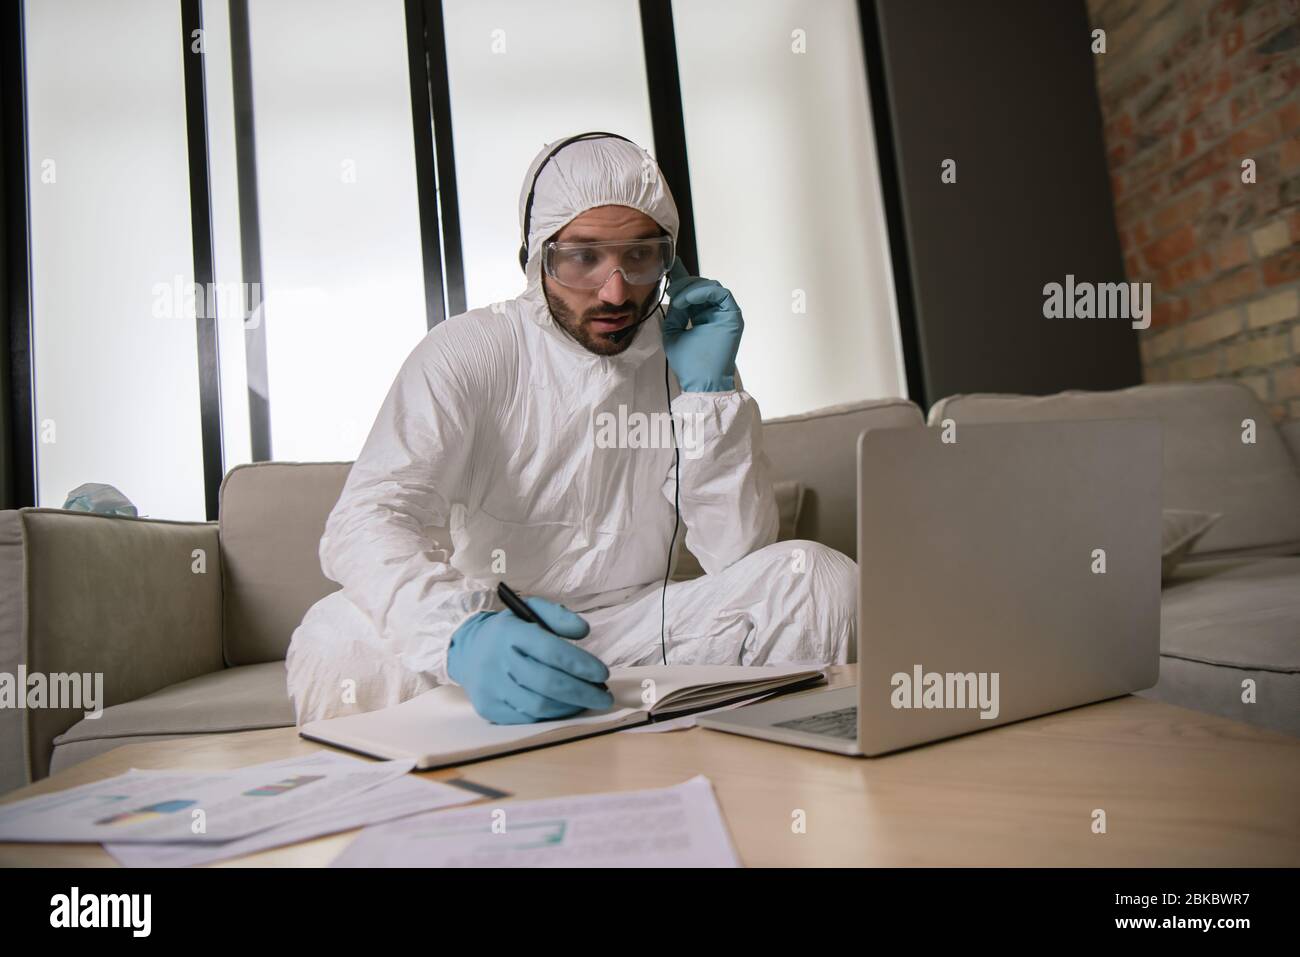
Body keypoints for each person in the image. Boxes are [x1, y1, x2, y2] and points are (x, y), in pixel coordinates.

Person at [286, 133, 856, 725]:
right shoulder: (470, 351)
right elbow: (367, 520)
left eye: (639, 256)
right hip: (497, 626)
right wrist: (462, 632)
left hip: (641, 631)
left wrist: (712, 398)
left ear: (670, 258)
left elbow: (740, 558)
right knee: (334, 639)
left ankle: (757, 771)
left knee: (817, 580)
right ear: (537, 259)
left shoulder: (688, 353)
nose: (615, 292)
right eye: (582, 257)